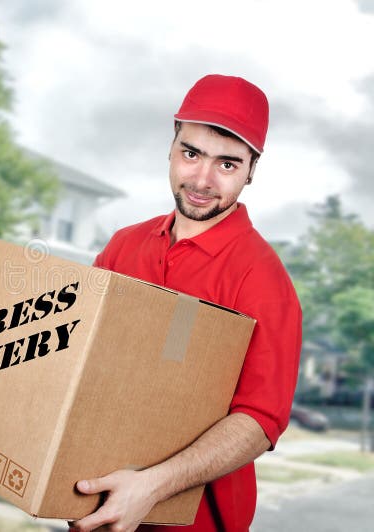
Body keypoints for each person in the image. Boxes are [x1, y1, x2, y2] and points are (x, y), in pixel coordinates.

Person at [69, 74, 302, 532]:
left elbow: (260, 420)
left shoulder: (262, 278)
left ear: (252, 169)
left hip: (193, 523)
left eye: (227, 165)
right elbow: (79, 351)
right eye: (191, 153)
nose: (201, 179)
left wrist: (151, 487)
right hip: (90, 505)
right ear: (172, 145)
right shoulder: (124, 246)